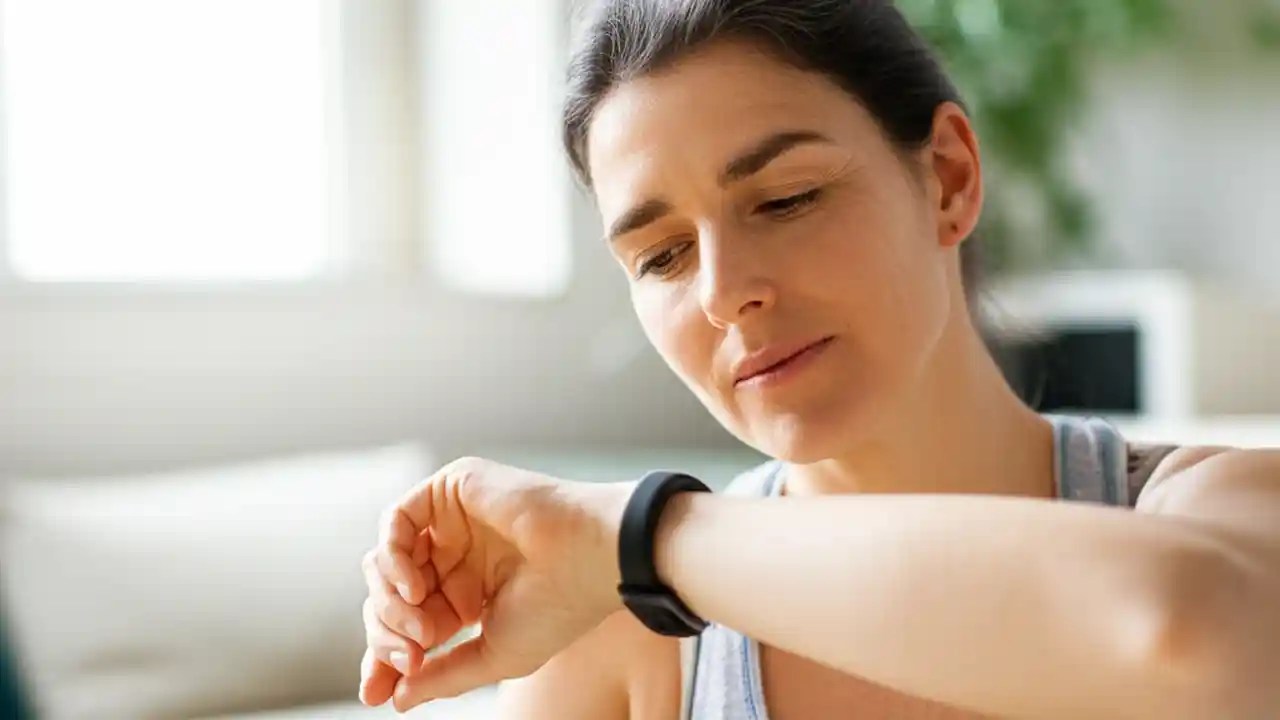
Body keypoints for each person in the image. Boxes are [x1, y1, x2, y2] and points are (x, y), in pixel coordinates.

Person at [357, 1, 1280, 717]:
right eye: (663, 256)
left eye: (786, 199)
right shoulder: (619, 647)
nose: (723, 293)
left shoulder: (1217, 514)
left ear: (948, 179)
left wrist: (637, 539)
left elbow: (1188, 633)